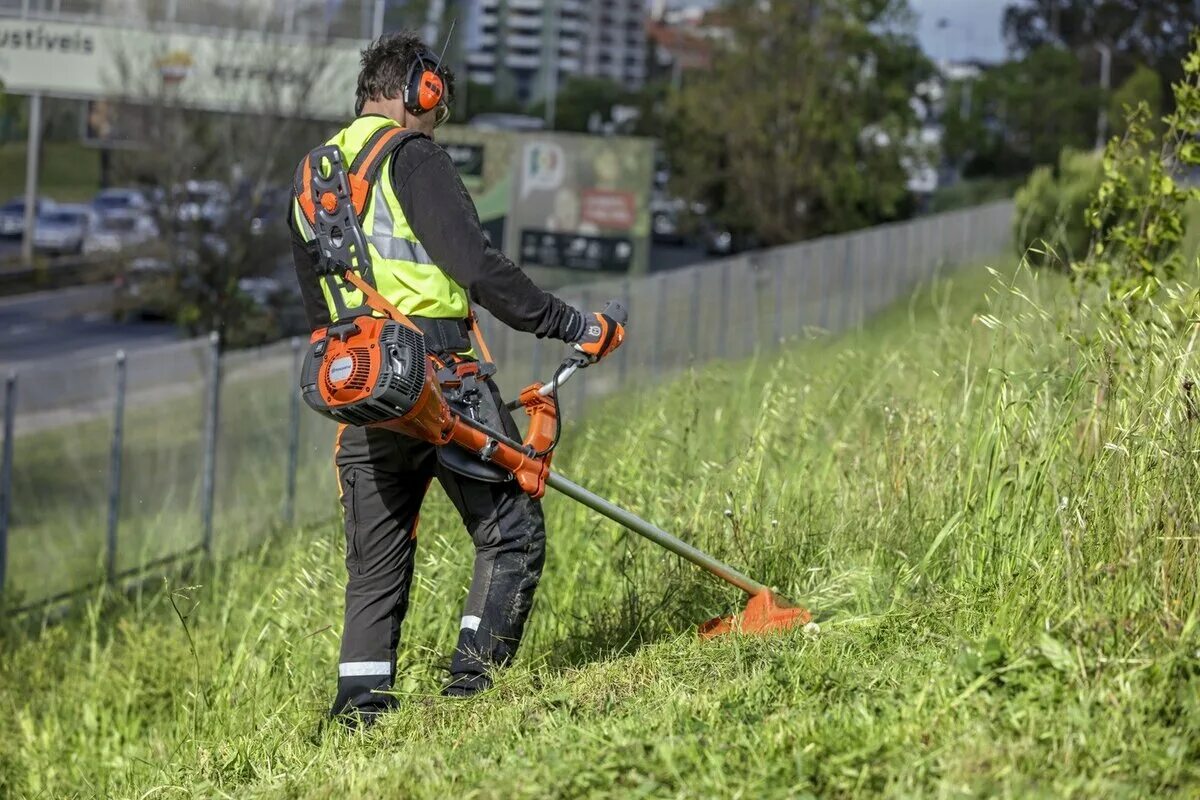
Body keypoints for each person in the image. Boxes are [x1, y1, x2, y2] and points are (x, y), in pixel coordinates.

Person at [288, 31, 624, 728]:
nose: (438, 121)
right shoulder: (411, 158)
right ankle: (472, 694)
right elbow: (476, 266)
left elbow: (319, 299)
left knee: (375, 563)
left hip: (363, 386)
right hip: (442, 380)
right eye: (437, 107)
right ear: (421, 91)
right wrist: (571, 324)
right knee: (511, 531)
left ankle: (359, 716)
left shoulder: (313, 178)